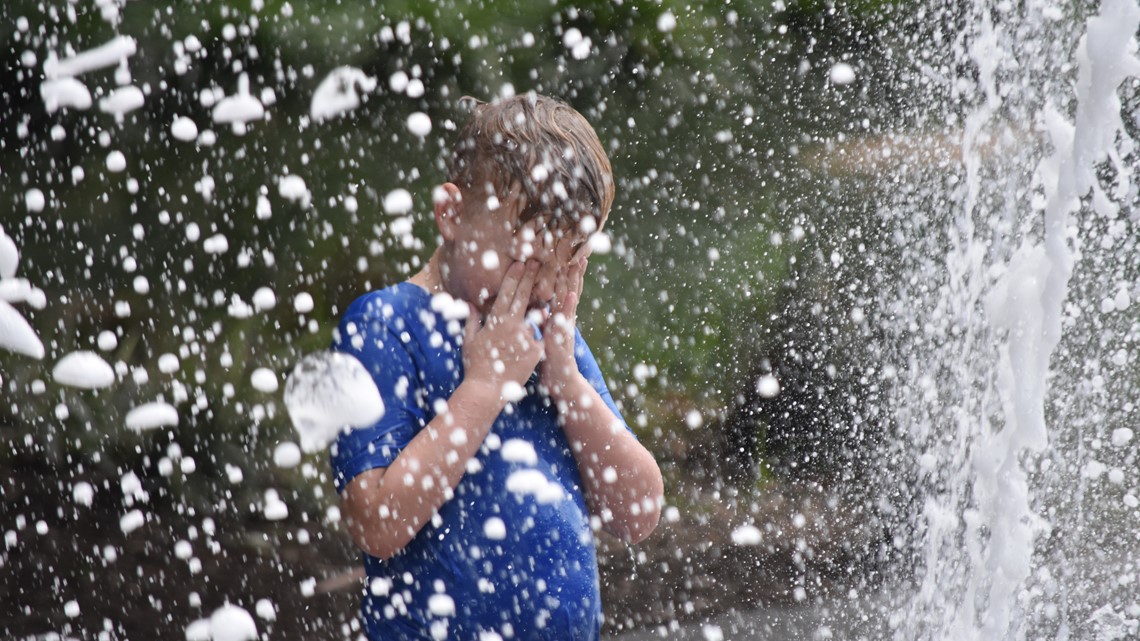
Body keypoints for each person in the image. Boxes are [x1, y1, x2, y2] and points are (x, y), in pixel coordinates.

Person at [329, 93, 664, 641]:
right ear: (452, 215)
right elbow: (376, 524)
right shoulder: (387, 325)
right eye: (526, 261)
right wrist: (484, 387)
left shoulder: (550, 341)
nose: (546, 287)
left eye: (570, 262)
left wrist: (567, 382)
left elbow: (639, 512)